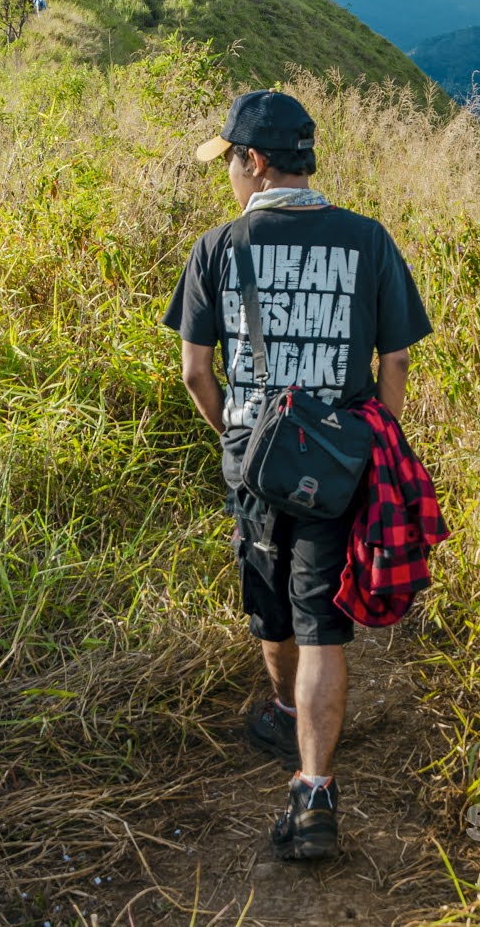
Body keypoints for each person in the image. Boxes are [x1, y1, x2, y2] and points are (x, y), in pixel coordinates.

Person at [161, 90, 433, 862]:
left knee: (269, 600)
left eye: (232, 165)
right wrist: (370, 437)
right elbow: (398, 357)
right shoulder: (367, 240)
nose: (230, 182)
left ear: (254, 162)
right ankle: (314, 789)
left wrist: (242, 440)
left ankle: (283, 710)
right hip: (342, 460)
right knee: (321, 618)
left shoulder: (217, 247)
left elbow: (194, 372)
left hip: (253, 454)